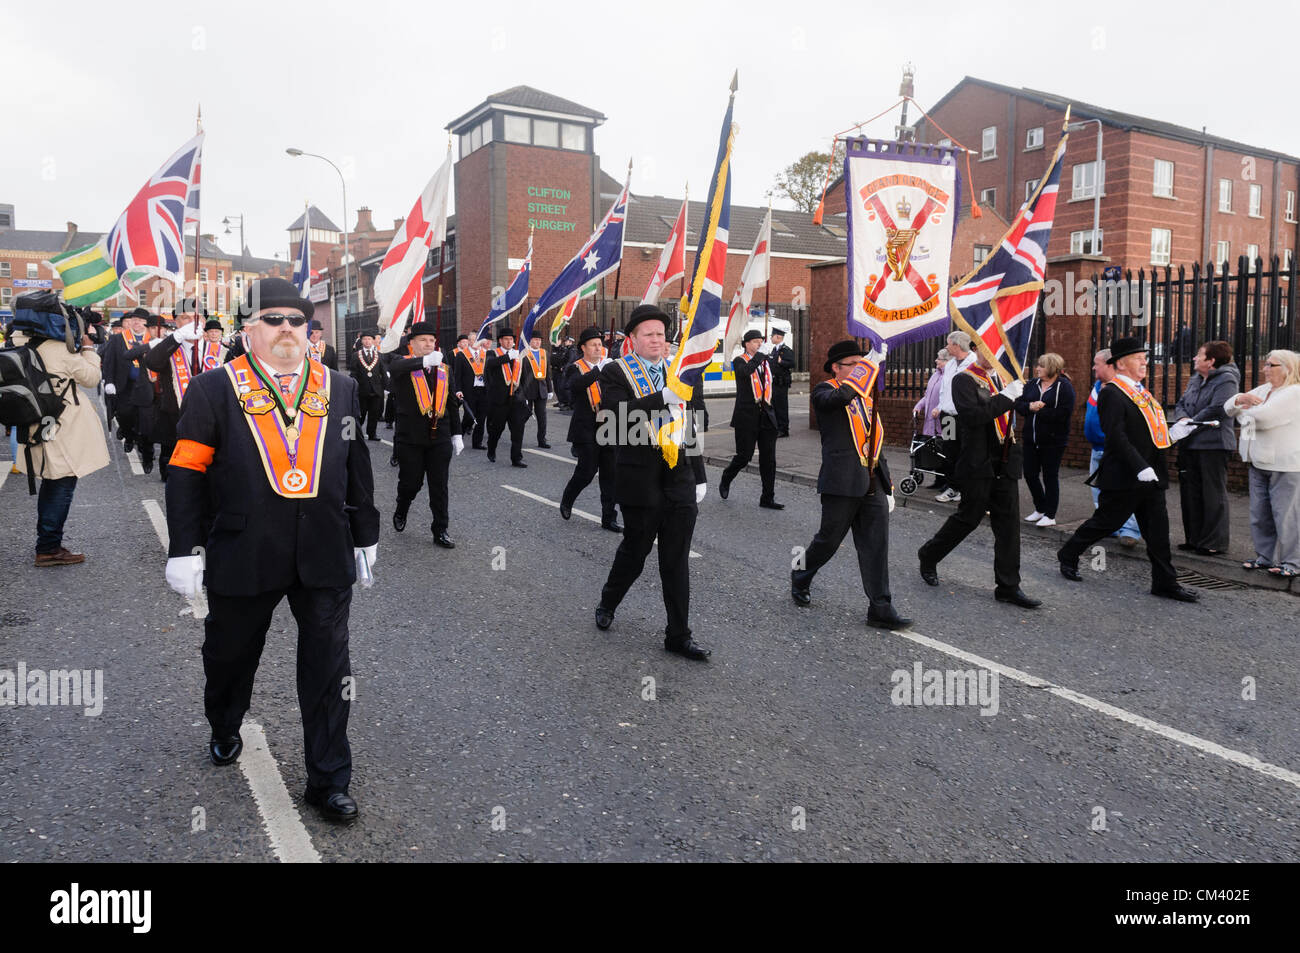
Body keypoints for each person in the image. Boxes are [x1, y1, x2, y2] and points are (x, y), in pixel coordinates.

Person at [163, 277, 380, 824]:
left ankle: (328, 780)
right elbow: (187, 470)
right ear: (248, 329)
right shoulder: (214, 387)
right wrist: (185, 547)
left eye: (296, 321)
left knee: (329, 668)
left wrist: (366, 534)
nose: (287, 329)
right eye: (273, 319)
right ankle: (225, 722)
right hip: (244, 547)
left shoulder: (341, 386)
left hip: (325, 549)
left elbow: (356, 465)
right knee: (230, 656)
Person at [594, 304, 710, 661]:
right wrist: (662, 399)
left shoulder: (684, 372)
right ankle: (608, 600)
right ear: (632, 339)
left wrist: (700, 474)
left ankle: (678, 635)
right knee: (635, 551)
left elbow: (695, 423)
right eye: (649, 334)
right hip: (639, 478)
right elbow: (613, 419)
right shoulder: (615, 372)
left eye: (661, 333)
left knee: (675, 561)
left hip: (680, 478)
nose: (657, 339)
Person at [1057, 337, 1200, 602]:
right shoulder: (1112, 392)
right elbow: (1116, 436)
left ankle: (1165, 582)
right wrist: (1139, 466)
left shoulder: (1141, 391)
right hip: (1125, 475)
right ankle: (1068, 554)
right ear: (1121, 363)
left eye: (1145, 358)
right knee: (1104, 523)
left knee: (1158, 533)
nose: (1145, 362)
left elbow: (1151, 433)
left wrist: (1175, 434)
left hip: (1151, 475)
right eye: (1138, 358)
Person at [791, 340, 910, 629]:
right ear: (836, 367)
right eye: (853, 364)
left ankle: (880, 607)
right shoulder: (825, 391)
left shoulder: (867, 398)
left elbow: (875, 443)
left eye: (862, 363)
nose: (859, 369)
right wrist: (869, 365)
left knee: (875, 545)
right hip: (841, 481)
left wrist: (888, 484)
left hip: (872, 483)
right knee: (828, 541)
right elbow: (839, 398)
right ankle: (800, 574)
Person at [917, 350, 1041, 608]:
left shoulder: (1004, 379)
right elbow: (973, 417)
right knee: (968, 519)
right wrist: (1007, 396)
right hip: (978, 462)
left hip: (1005, 460)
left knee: (1008, 526)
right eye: (989, 349)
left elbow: (1014, 407)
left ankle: (1008, 586)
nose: (994, 355)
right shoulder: (964, 379)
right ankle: (929, 554)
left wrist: (1021, 397)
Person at [10, 297, 109, 566]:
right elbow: (91, 377)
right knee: (61, 485)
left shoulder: (16, 341)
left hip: (33, 423)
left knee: (52, 483)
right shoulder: (60, 350)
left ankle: (48, 542)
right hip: (61, 428)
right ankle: (48, 548)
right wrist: (88, 348)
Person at [1225, 349, 1300, 578]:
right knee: (1260, 513)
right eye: (1266, 364)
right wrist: (1240, 400)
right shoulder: (1265, 390)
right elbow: (1229, 407)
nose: (1265, 369)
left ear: (1286, 369)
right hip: (1257, 461)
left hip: (1283, 464)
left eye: (1271, 365)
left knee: (1286, 515)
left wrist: (1244, 409)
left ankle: (1292, 562)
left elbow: (1263, 419)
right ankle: (1265, 557)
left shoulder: (1293, 392)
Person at [387, 322, 463, 548]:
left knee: (439, 486)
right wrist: (423, 362)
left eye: (432, 340)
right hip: (410, 439)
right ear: (411, 344)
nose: (428, 344)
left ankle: (440, 529)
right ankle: (402, 507)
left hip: (439, 437)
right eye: (423, 340)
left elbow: (451, 404)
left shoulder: (443, 369)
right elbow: (397, 369)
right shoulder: (401, 364)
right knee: (411, 483)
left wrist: (457, 433)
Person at [144, 303, 225, 482]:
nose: (191, 322)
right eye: (185, 318)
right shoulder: (169, 349)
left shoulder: (220, 351)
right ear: (177, 322)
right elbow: (151, 362)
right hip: (174, 422)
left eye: (195, 318)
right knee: (173, 480)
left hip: (211, 425)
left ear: (203, 321)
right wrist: (177, 337)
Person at [1172, 340, 1238, 555]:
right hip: (1191, 443)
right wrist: (1182, 419)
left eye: (1199, 355)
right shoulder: (1195, 379)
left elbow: (1218, 408)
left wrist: (1190, 424)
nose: (1194, 359)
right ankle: (1194, 538)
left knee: (1212, 493)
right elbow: (1181, 403)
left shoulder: (1227, 379)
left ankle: (1213, 542)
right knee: (1191, 492)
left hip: (1213, 444)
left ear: (1211, 361)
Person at [559, 326, 619, 531]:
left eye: (600, 345)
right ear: (583, 348)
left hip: (609, 426)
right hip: (586, 427)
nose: (598, 348)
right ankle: (568, 498)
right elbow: (573, 387)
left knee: (610, 474)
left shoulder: (609, 366)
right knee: (586, 472)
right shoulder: (575, 367)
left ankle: (609, 517)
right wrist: (597, 371)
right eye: (593, 345)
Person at [719, 329, 782, 509]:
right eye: (755, 342)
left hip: (767, 415)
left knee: (768, 459)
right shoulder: (740, 360)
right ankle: (727, 476)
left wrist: (776, 359)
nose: (759, 344)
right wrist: (759, 357)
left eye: (760, 341)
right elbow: (745, 372)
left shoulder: (764, 361)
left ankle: (767, 497)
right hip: (747, 416)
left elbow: (778, 372)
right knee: (744, 456)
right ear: (746, 344)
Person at [1084, 349, 1141, 547]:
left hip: (1116, 450)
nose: (1093, 367)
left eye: (1096, 363)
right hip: (1097, 448)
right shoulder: (1098, 386)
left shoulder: (1127, 387)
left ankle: (1130, 531)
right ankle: (1109, 525)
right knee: (1100, 492)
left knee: (1123, 491)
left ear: (1109, 365)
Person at [1015, 352, 1076, 528]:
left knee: (1050, 476)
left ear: (1052, 368)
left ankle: (1050, 514)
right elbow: (1018, 404)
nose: (1037, 369)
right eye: (1038, 365)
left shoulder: (1064, 387)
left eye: (1041, 366)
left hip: (1053, 441)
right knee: (1030, 474)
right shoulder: (1032, 384)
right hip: (1030, 439)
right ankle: (1040, 508)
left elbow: (1064, 414)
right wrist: (1029, 406)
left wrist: (1040, 410)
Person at [101, 307, 158, 472]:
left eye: (141, 321)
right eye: (134, 320)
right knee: (124, 416)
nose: (137, 323)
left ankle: (147, 455)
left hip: (147, 386)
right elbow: (109, 361)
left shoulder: (154, 339)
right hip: (125, 385)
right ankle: (128, 435)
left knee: (146, 423)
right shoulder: (118, 339)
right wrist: (109, 381)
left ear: (147, 324)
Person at [935, 330, 976, 502]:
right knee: (950, 452)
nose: (946, 346)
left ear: (956, 345)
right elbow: (944, 390)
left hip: (965, 418)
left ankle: (966, 488)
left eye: (948, 343)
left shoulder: (974, 362)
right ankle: (953, 487)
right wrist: (940, 407)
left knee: (966, 453)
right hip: (949, 417)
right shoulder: (951, 364)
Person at [485, 328, 525, 466]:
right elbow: (490, 364)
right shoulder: (493, 353)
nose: (509, 342)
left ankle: (516, 458)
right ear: (500, 341)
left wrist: (523, 393)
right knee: (497, 429)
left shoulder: (517, 354)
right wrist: (508, 357)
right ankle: (491, 449)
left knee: (518, 430)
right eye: (506, 339)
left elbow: (524, 375)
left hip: (515, 399)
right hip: (499, 400)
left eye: (511, 339)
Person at [349, 330, 388, 442]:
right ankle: (356, 433)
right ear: (362, 341)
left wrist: (386, 388)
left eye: (369, 339)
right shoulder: (356, 355)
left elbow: (383, 372)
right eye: (365, 339)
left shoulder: (379, 355)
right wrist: (354, 388)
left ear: (373, 341)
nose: (367, 341)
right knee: (360, 413)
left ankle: (372, 434)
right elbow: (353, 373)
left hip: (376, 390)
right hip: (362, 389)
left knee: (374, 414)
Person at [452, 333, 488, 448]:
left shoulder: (485, 354)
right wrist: (458, 390)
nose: (476, 342)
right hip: (469, 390)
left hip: (483, 389)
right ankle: (459, 436)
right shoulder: (461, 355)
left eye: (478, 340)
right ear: (469, 342)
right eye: (473, 340)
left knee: (481, 417)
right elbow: (457, 375)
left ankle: (477, 442)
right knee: (469, 416)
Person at [517, 331, 551, 448]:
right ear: (530, 341)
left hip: (542, 390)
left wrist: (550, 389)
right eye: (535, 339)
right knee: (525, 415)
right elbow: (520, 374)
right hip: (528, 390)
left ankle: (542, 440)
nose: (538, 342)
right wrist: (521, 392)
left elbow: (548, 372)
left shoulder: (544, 353)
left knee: (542, 417)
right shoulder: (523, 353)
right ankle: (517, 436)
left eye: (539, 340)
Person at [768, 328, 795, 437]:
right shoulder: (775, 349)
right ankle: (777, 427)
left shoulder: (786, 350)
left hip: (781, 382)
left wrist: (781, 361)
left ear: (778, 337)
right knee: (775, 405)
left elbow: (792, 363)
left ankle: (784, 429)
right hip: (774, 382)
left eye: (772, 336)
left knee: (781, 406)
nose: (771, 338)